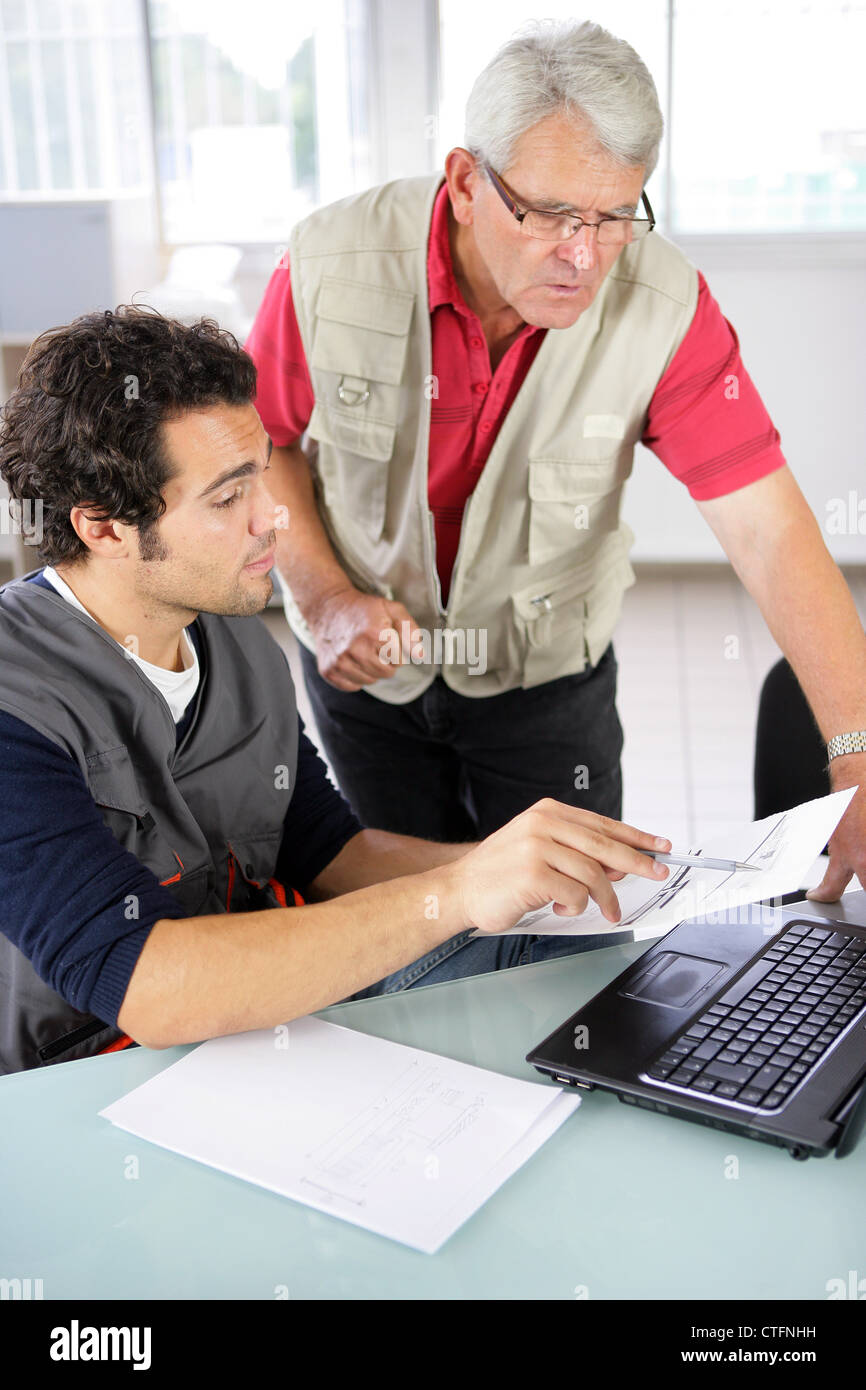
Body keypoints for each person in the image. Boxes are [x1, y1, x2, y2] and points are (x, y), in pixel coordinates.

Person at [245, 16, 866, 902]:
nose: (584, 255)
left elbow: (768, 529)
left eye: (616, 215)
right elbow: (264, 441)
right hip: (364, 672)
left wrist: (855, 752)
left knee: (568, 928)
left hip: (545, 683)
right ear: (466, 182)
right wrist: (320, 595)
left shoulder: (664, 306)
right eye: (552, 215)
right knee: (401, 926)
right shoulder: (327, 266)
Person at [0, 306, 674, 1074]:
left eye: (261, 474)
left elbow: (330, 850)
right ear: (105, 528)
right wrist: (457, 893)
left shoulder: (233, 635)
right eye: (227, 499)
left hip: (254, 1036)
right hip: (86, 1081)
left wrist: (520, 863)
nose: (274, 517)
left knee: (583, 989)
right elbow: (147, 986)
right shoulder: (15, 704)